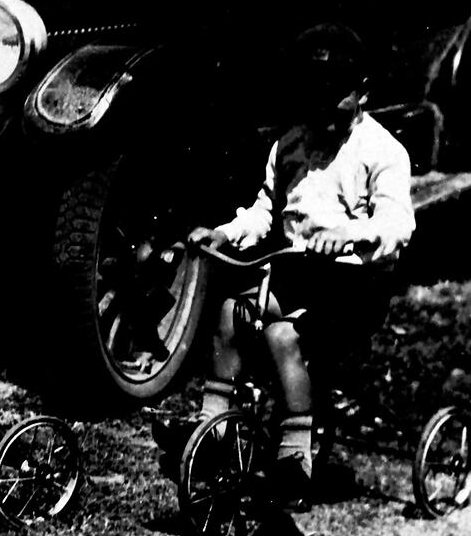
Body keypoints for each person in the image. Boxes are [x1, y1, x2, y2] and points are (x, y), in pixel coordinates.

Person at [157, 25, 415, 499]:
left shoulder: (383, 153)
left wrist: (349, 235)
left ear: (362, 93)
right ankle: (210, 433)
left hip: (354, 284)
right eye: (312, 96)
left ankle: (295, 455)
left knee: (281, 335)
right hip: (299, 271)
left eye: (334, 96)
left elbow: (398, 224)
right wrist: (226, 232)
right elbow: (265, 210)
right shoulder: (290, 144)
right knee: (232, 315)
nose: (323, 109)